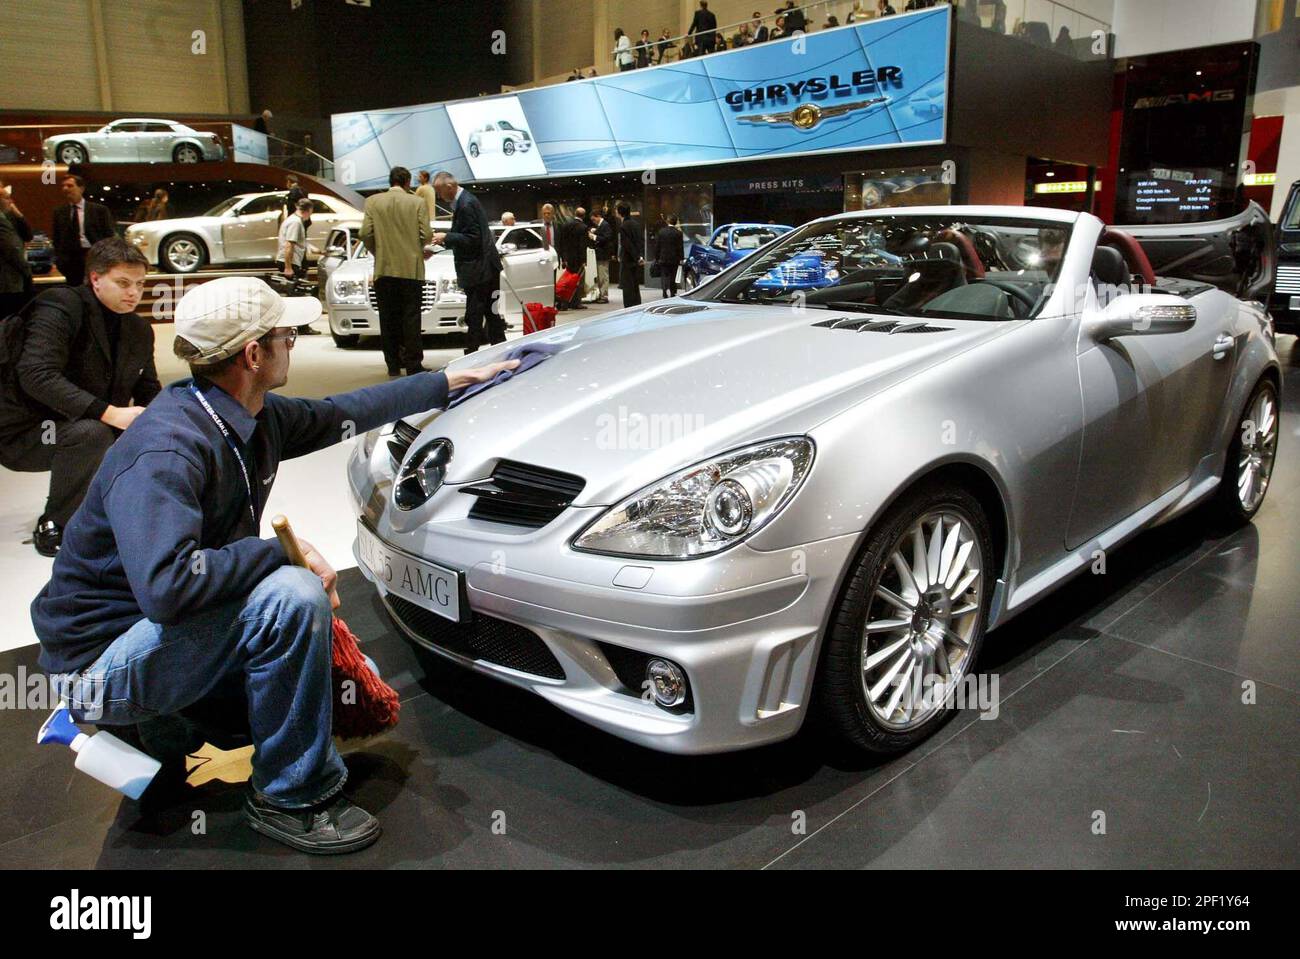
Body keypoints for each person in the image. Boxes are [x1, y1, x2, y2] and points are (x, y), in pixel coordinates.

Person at [29, 274, 518, 854]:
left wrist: (450, 381)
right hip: (98, 667)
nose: (295, 340)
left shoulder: (239, 415)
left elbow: (341, 410)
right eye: (287, 334)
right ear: (254, 354)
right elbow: (167, 588)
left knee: (273, 678)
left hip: (151, 637)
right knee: (291, 596)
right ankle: (292, 797)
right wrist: (282, 554)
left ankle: (182, 722)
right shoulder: (168, 449)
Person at [0, 238, 158, 557]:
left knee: (153, 427)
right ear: (95, 278)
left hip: (83, 423)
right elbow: (36, 374)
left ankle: (117, 513)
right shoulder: (60, 305)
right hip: (26, 431)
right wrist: (111, 413)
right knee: (93, 432)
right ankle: (55, 522)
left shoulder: (139, 330)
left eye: (140, 284)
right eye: (123, 283)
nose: (133, 292)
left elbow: (148, 388)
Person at [359, 166, 431, 377]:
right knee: (411, 319)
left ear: (390, 181)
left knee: (388, 319)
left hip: (384, 269)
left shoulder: (372, 202)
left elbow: (365, 232)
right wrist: (416, 248)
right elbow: (426, 235)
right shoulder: (417, 202)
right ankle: (413, 365)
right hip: (412, 271)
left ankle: (392, 364)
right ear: (408, 182)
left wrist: (378, 251)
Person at [431, 171, 504, 354]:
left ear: (449, 187)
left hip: (480, 269)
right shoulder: (466, 201)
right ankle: (500, 348)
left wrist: (446, 236)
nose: (439, 197)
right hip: (486, 267)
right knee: (490, 312)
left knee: (475, 312)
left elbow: (473, 237)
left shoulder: (465, 204)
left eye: (440, 192)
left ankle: (472, 351)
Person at [51, 175, 114, 288]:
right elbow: (57, 238)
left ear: (81, 188)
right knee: (75, 290)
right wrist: (59, 260)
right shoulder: (59, 212)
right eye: (63, 186)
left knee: (95, 287)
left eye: (70, 186)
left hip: (92, 255)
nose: (65, 189)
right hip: (70, 260)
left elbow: (108, 236)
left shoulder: (99, 210)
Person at [0, 176, 34, 319]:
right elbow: (12, 250)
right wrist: (27, 270)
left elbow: (28, 235)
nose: (11, 201)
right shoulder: (2, 221)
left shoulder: (9, 216)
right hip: (8, 282)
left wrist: (17, 212)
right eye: (7, 198)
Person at [276, 198, 314, 283]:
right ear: (308, 210)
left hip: (290, 261)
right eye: (311, 212)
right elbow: (289, 244)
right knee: (294, 291)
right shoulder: (295, 222)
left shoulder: (294, 219)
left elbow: (298, 242)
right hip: (290, 262)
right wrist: (288, 268)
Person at [617, 203, 644, 308]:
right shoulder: (636, 224)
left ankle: (629, 306)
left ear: (620, 213)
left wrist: (636, 257)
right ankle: (637, 304)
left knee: (627, 285)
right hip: (636, 259)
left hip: (628, 259)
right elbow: (640, 241)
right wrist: (640, 256)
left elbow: (627, 245)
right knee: (635, 283)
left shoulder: (623, 226)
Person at [655, 215, 684, 298]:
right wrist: (681, 258)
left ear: (668, 221)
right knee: (672, 276)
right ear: (675, 222)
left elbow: (658, 246)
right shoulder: (678, 233)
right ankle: (672, 292)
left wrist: (656, 257)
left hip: (663, 257)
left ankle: (664, 291)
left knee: (664, 275)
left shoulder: (661, 232)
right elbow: (680, 247)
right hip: (674, 259)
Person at [589, 208, 615, 303]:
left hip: (603, 255)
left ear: (598, 216)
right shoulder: (601, 225)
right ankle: (602, 294)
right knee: (600, 276)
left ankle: (604, 296)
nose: (593, 222)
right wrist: (595, 231)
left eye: (594, 219)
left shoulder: (605, 225)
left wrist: (594, 236)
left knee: (603, 276)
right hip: (600, 254)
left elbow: (607, 238)